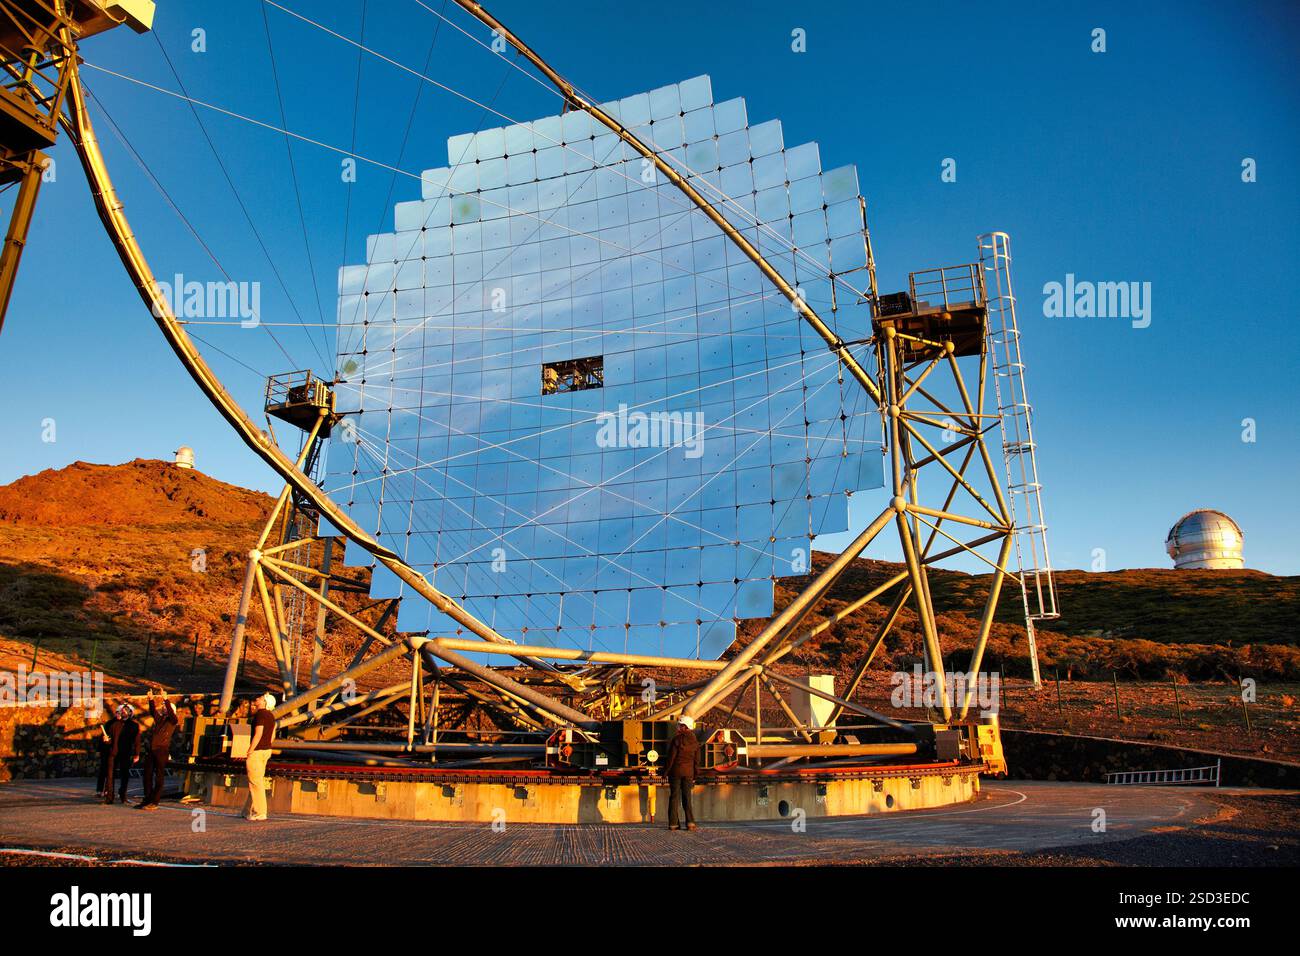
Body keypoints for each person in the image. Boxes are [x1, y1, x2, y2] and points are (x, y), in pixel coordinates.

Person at [136, 695, 179, 810]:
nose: (163, 708)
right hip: (152, 749)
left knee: (159, 777)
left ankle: (155, 802)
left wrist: (166, 700)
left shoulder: (173, 721)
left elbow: (172, 714)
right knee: (147, 775)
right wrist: (151, 700)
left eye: (165, 707)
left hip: (162, 750)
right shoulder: (160, 719)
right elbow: (153, 711)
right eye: (163, 707)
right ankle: (147, 799)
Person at [244, 693, 277, 822]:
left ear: (265, 703)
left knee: (255, 783)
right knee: (256, 781)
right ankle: (246, 811)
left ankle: (260, 812)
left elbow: (258, 733)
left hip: (257, 751)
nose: (257, 699)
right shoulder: (271, 716)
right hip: (266, 750)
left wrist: (250, 750)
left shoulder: (260, 715)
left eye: (261, 698)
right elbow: (272, 735)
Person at [664, 716, 701, 831]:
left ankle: (673, 824)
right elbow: (697, 761)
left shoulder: (676, 740)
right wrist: (695, 774)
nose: (678, 727)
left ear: (685, 727)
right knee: (687, 797)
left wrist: (665, 772)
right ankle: (690, 822)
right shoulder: (695, 742)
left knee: (674, 797)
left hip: (675, 772)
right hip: (688, 773)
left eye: (680, 725)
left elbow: (671, 758)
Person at [103, 704, 140, 804]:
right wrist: (106, 740)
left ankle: (123, 796)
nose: (123, 712)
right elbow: (110, 740)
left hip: (125, 753)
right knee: (110, 776)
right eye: (122, 710)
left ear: (130, 713)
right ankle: (109, 798)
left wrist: (137, 754)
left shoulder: (134, 726)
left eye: (126, 710)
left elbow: (137, 741)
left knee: (124, 775)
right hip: (113, 753)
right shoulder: (114, 725)